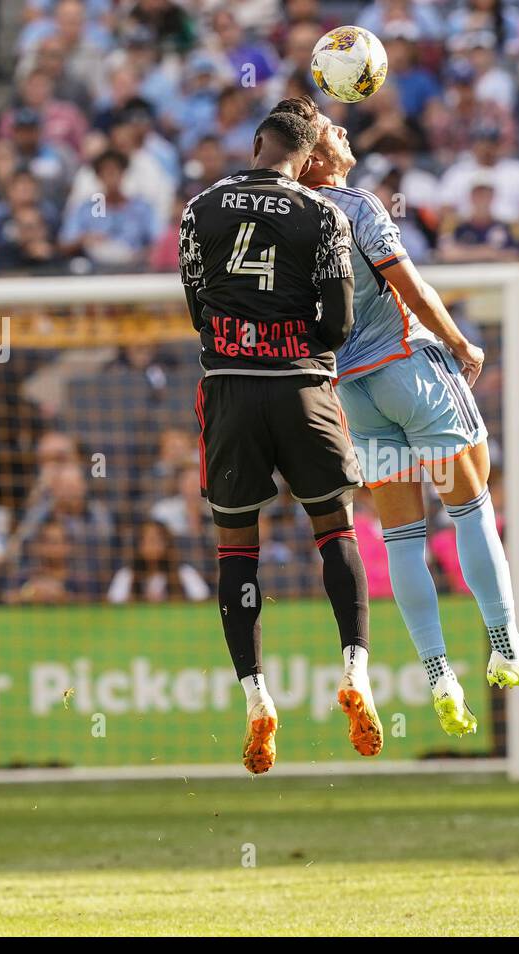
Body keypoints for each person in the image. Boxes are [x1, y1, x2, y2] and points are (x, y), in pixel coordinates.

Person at [282, 95, 519, 740]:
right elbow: (413, 287)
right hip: (407, 363)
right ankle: (504, 645)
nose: (346, 130)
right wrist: (460, 342)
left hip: (351, 391)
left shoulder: (293, 222)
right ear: (318, 157)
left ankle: (438, 675)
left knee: (403, 536)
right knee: (473, 504)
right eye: (332, 131)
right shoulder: (358, 206)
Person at [179, 110, 370, 774]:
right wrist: (294, 343)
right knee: (335, 530)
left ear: (258, 144)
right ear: (310, 152)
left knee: (237, 547)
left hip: (229, 391)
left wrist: (243, 338)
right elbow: (339, 322)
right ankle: (356, 672)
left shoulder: (200, 207)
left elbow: (198, 306)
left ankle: (257, 698)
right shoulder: (324, 216)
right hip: (302, 389)